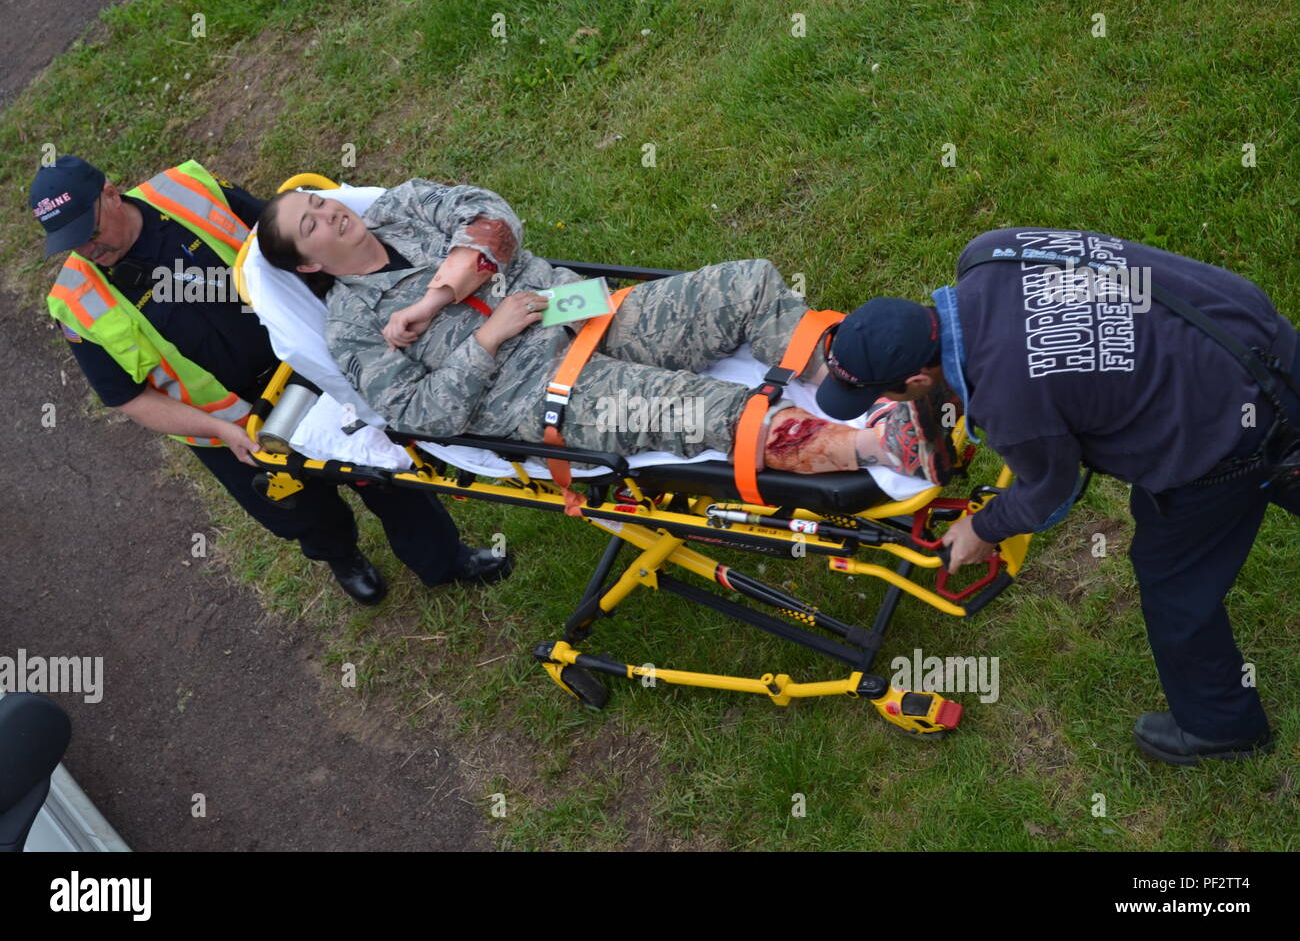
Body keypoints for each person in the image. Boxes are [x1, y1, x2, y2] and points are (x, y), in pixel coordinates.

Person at [815, 227, 1300, 765]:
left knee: (1173, 581)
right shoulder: (989, 252)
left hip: (1225, 430)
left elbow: (1051, 491)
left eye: (880, 394)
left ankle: (1220, 726)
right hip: (1260, 341)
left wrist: (982, 528)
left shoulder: (1009, 402)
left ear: (916, 380)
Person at [31, 156, 513, 606]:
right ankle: (342, 556)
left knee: (385, 472)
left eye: (90, 232)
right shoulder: (76, 304)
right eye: (72, 243)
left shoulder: (186, 189)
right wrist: (221, 431)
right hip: (233, 424)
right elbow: (129, 397)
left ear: (112, 195)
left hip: (311, 371)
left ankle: (444, 561)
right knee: (299, 509)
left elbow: (283, 243)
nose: (89, 249)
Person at [255, 179, 960, 484]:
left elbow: (494, 220)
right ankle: (882, 443)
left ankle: (844, 378)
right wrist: (485, 340)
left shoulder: (405, 207)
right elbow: (418, 415)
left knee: (744, 284)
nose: (329, 213)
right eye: (309, 224)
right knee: (699, 406)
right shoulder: (353, 329)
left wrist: (439, 294)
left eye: (320, 202)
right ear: (311, 262)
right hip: (532, 391)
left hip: (573, 307)